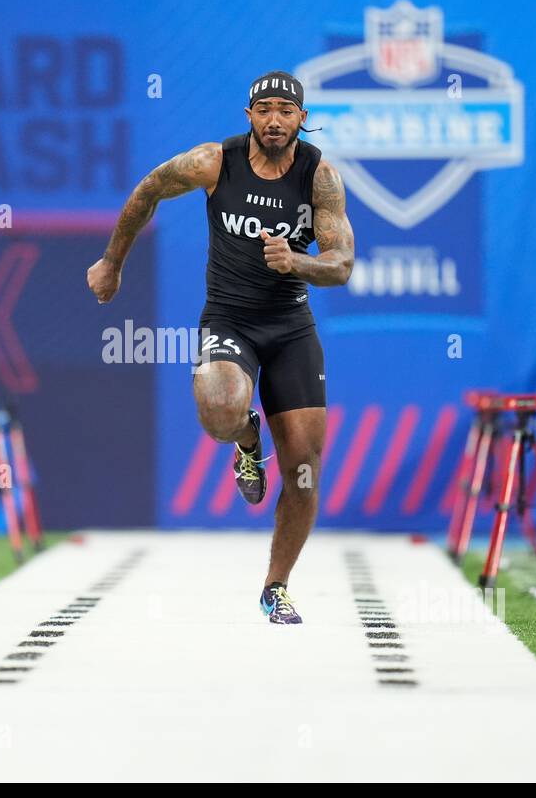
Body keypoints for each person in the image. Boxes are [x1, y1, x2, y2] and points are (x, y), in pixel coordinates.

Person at [86, 71, 354, 624]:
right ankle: (248, 439)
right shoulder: (214, 162)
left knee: (303, 468)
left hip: (291, 327)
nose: (275, 119)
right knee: (219, 408)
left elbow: (342, 264)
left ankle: (275, 587)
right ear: (248, 115)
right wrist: (113, 261)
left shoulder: (320, 177)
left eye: (286, 110)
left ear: (303, 118)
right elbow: (148, 190)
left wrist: (297, 261)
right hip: (229, 318)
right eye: (265, 109)